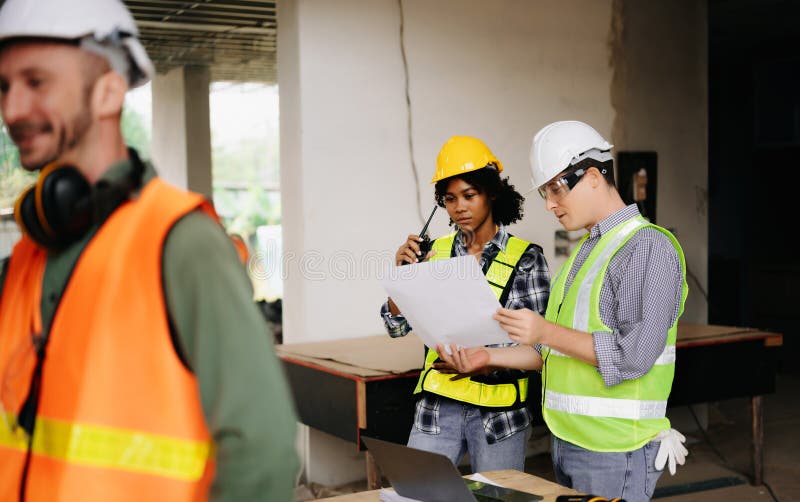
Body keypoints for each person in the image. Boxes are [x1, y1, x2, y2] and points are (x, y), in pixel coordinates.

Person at [0, 0, 299, 500]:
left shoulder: (182, 242)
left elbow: (261, 450)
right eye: (4, 87)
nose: (12, 110)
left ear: (108, 92)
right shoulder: (33, 252)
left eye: (36, 82)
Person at [435, 120, 688, 502]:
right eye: (545, 192)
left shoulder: (645, 249)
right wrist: (485, 357)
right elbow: (550, 352)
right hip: (571, 442)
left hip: (617, 448)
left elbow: (632, 356)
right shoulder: (584, 254)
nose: (550, 204)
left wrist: (544, 332)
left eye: (555, 188)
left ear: (591, 177)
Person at [379, 135, 550, 474]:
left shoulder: (526, 259)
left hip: (499, 416)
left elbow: (539, 351)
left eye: (470, 195)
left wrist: (486, 361)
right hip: (437, 409)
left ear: (492, 193)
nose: (459, 207)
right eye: (450, 198)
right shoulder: (433, 253)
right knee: (418, 496)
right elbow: (396, 327)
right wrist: (402, 280)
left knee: (497, 500)